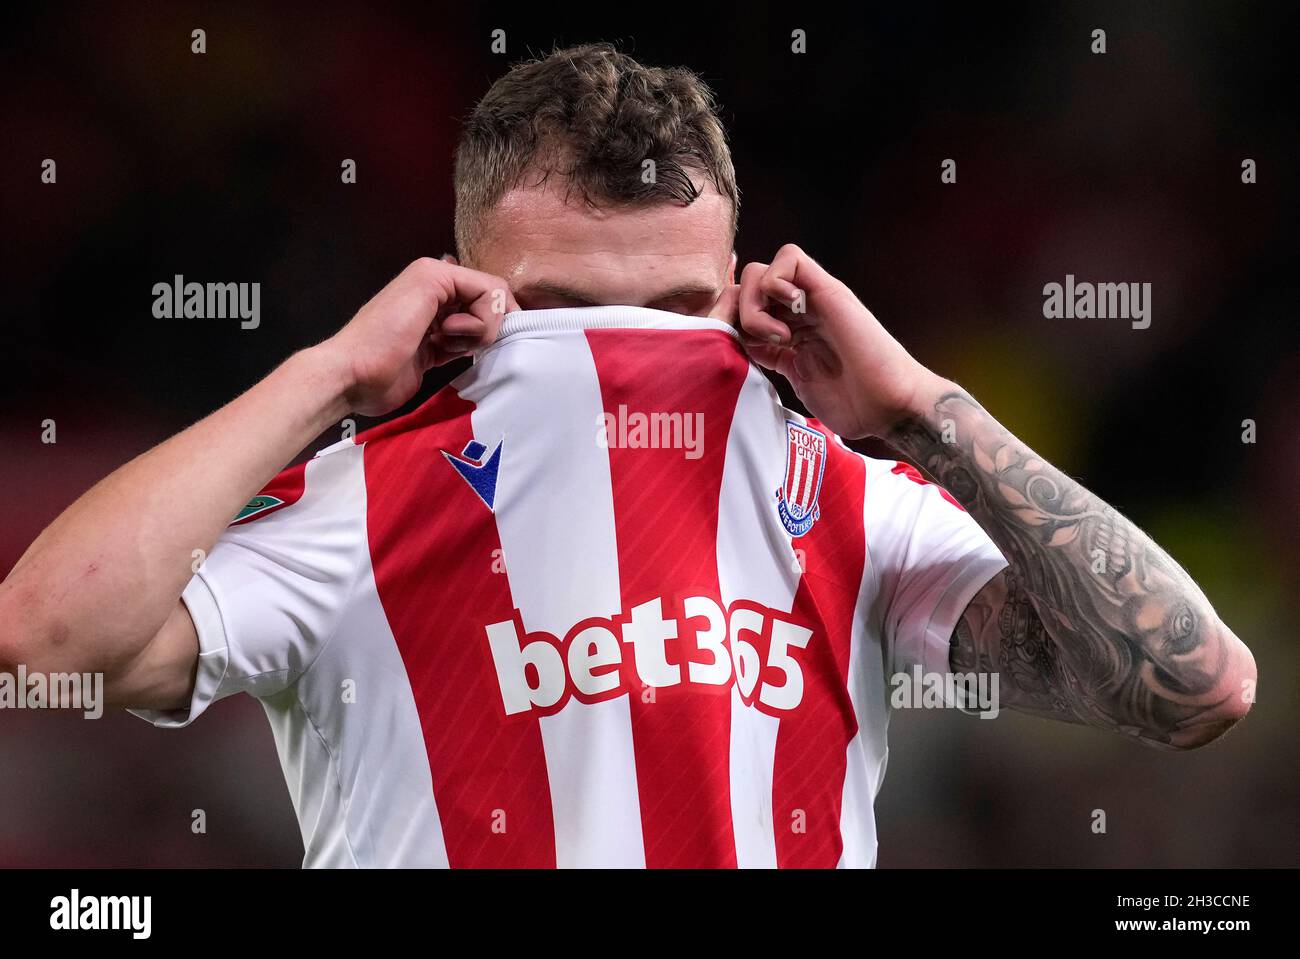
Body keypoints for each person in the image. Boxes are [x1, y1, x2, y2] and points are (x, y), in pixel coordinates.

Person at [0, 43, 1256, 868]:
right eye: (551, 314)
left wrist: (922, 407)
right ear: (455, 296)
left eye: (669, 312)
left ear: (741, 296)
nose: (617, 364)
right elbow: (39, 647)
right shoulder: (354, 502)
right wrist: (327, 373)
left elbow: (1193, 687)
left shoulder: (851, 498)